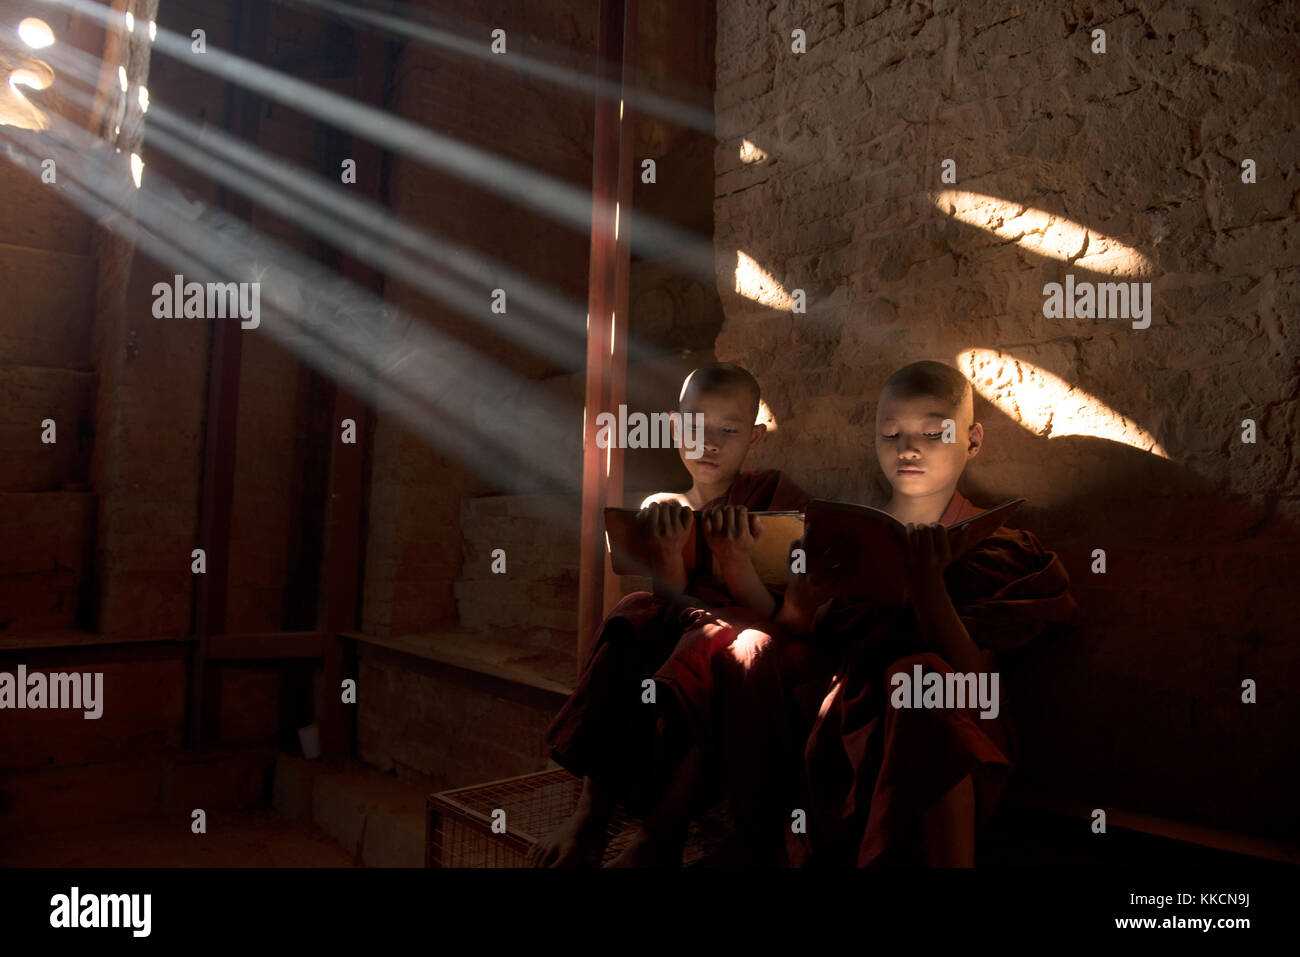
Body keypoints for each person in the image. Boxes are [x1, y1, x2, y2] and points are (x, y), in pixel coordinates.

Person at [680, 359, 1077, 866]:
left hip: (953, 729)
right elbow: (808, 645)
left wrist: (928, 583)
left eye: (933, 432)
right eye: (890, 432)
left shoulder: (1001, 545)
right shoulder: (848, 534)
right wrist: (800, 608)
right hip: (842, 721)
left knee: (920, 676)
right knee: (750, 651)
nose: (908, 448)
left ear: (973, 439)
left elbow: (976, 677)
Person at [528, 362, 811, 867]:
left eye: (729, 429)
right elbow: (671, 606)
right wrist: (668, 554)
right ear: (674, 428)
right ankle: (591, 816)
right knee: (634, 611)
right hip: (687, 631)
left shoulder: (772, 498)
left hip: (749, 634)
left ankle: (661, 833)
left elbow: (778, 612)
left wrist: (734, 558)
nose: (710, 443)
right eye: (695, 427)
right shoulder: (665, 506)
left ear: (756, 437)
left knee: (713, 648)